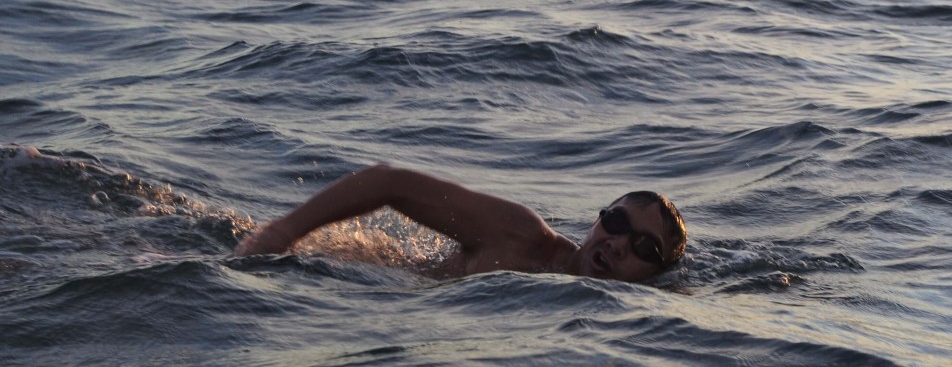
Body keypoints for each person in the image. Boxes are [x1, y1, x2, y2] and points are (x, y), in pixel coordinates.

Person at [234, 163, 686, 283]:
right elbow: (387, 182)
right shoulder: (522, 237)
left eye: (644, 248)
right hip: (321, 271)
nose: (620, 245)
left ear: (656, 274)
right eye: (616, 221)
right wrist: (284, 232)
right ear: (596, 221)